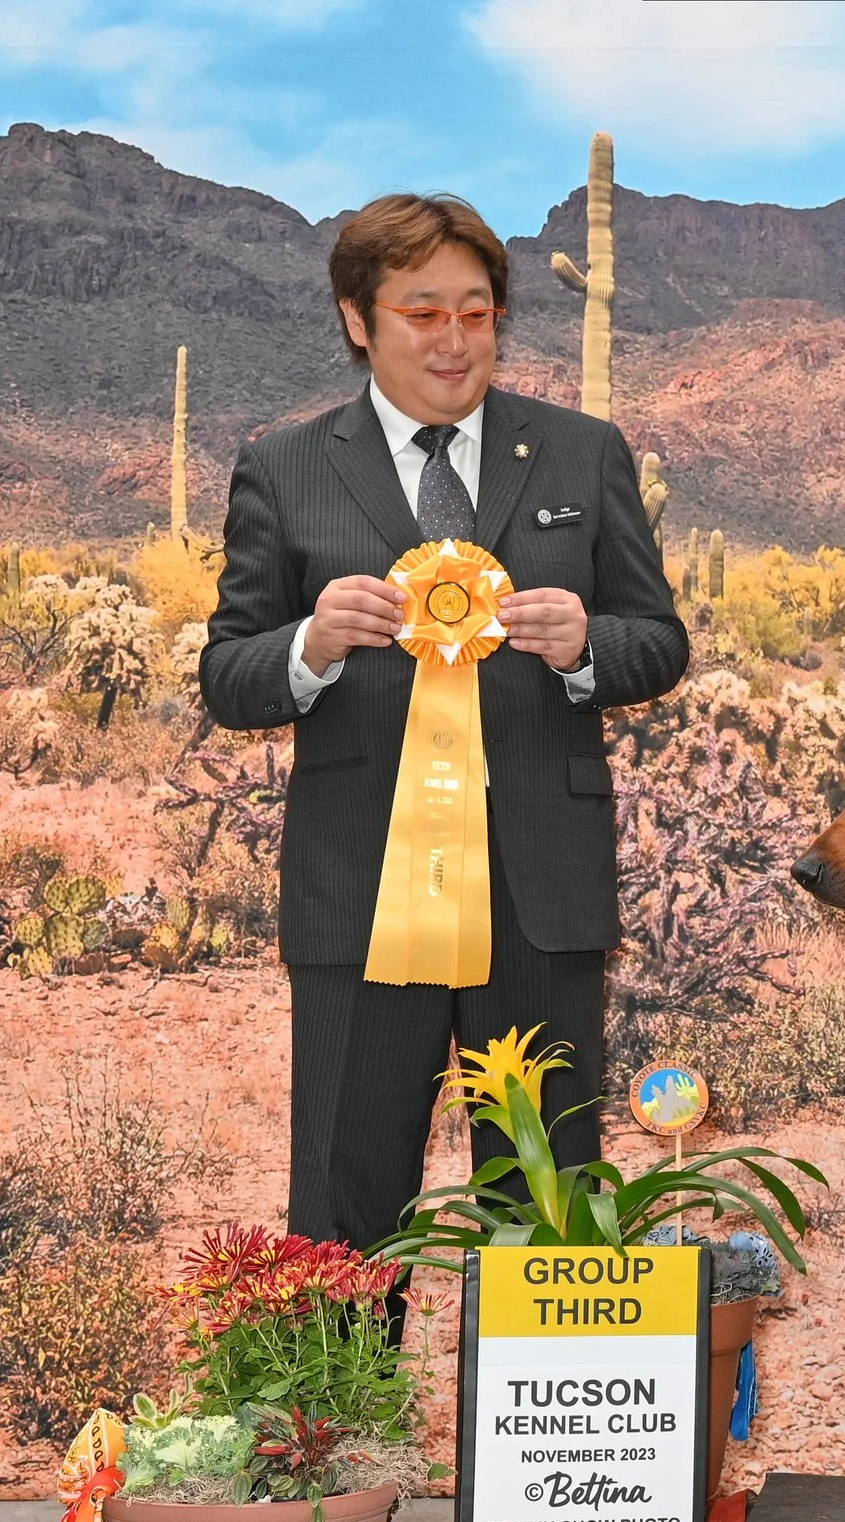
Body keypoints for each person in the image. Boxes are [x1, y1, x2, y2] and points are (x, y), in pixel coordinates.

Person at [201, 193, 686, 1257]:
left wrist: (587, 645)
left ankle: (539, 1426)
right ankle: (339, 1422)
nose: (453, 339)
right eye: (422, 312)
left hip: (540, 896)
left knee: (550, 1204)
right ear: (357, 319)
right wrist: (310, 646)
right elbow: (228, 676)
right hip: (360, 899)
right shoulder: (283, 470)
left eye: (476, 311)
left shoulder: (580, 454)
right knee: (343, 1207)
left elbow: (660, 641)